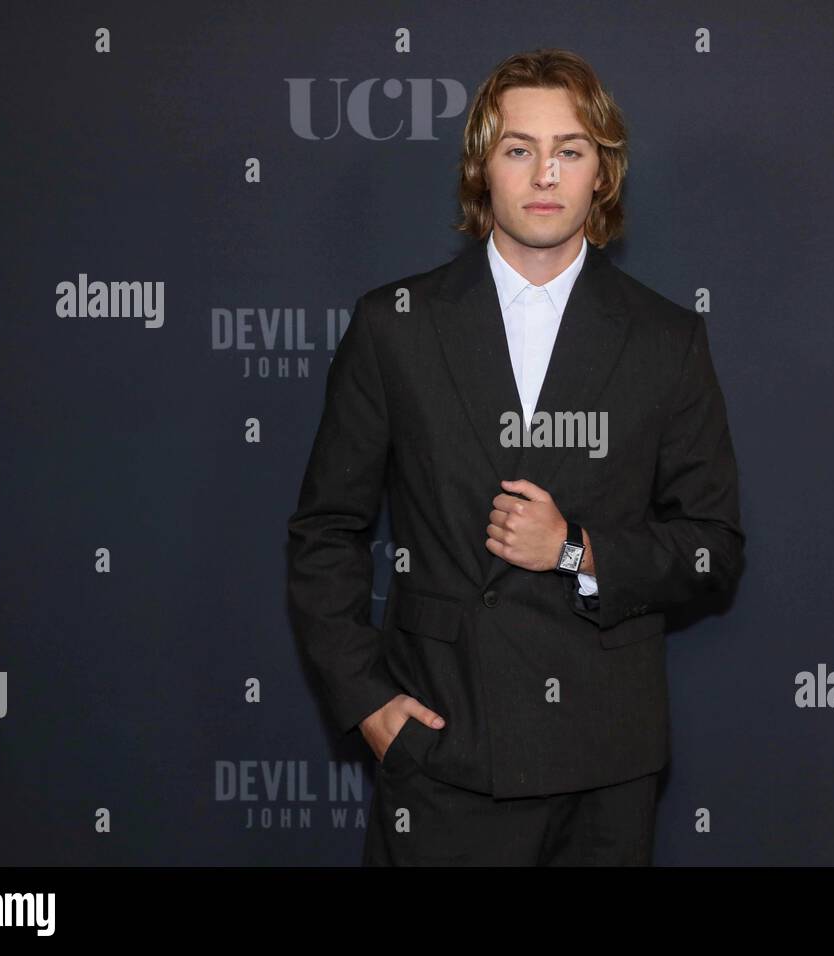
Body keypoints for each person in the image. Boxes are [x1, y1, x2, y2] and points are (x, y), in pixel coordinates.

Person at [286, 48, 744, 865]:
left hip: (601, 768)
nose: (545, 174)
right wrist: (369, 705)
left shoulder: (667, 339)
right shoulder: (397, 323)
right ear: (481, 168)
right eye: (518, 149)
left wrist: (578, 549)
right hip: (444, 748)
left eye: (570, 150)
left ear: (602, 173)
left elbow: (713, 548)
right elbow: (326, 530)